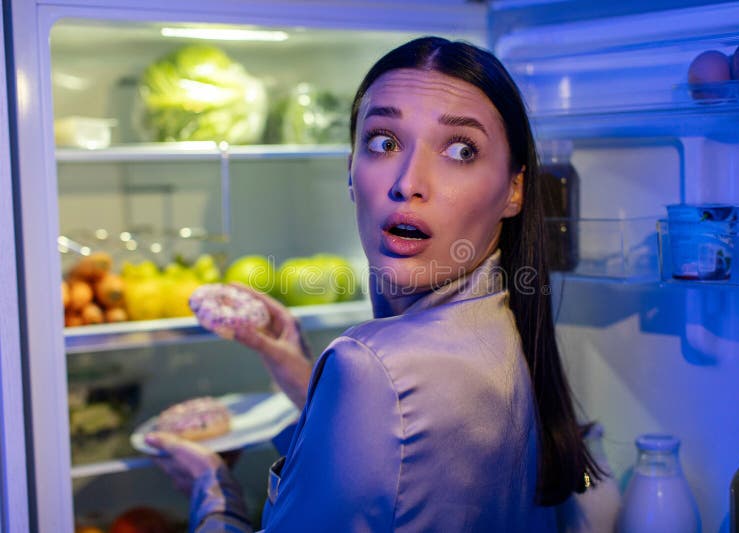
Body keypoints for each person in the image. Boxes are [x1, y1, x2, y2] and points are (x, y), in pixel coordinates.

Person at [145, 36, 605, 532]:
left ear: (514, 188)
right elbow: (410, 453)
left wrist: (212, 492)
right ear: (350, 168)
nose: (408, 181)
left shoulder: (369, 368)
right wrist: (309, 379)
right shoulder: (504, 330)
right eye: (384, 142)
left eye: (460, 149)